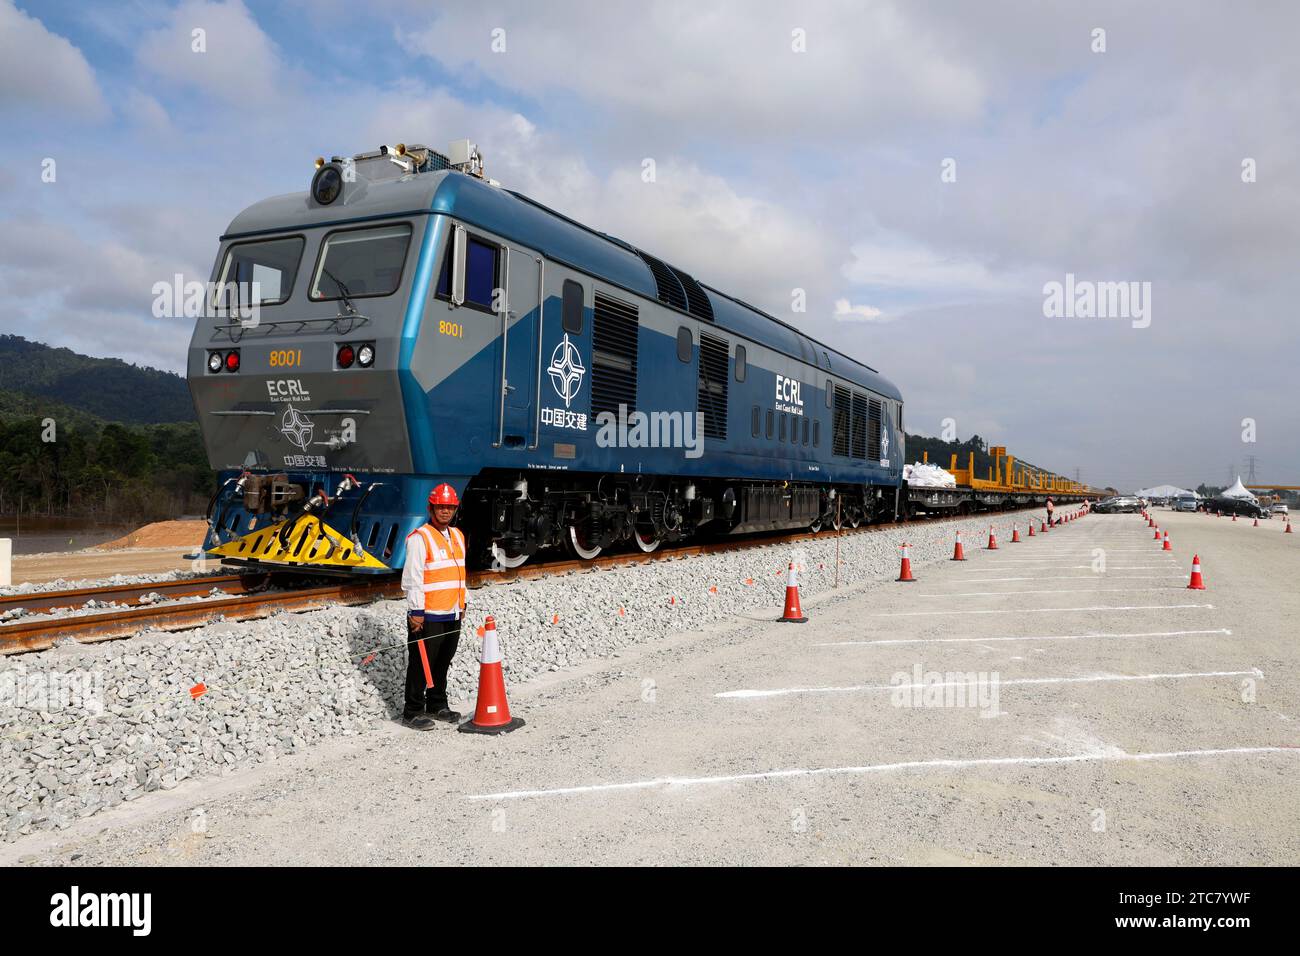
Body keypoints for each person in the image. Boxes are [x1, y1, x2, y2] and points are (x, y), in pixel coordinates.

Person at [399, 483, 467, 730]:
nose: (445, 512)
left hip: (452, 611)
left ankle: (437, 704)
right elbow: (412, 578)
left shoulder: (458, 536)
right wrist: (416, 611)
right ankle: (412, 711)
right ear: (431, 508)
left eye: (450, 507)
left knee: (443, 660)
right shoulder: (420, 538)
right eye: (441, 507)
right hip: (428, 614)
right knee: (421, 662)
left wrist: (463, 602)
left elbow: (459, 572)